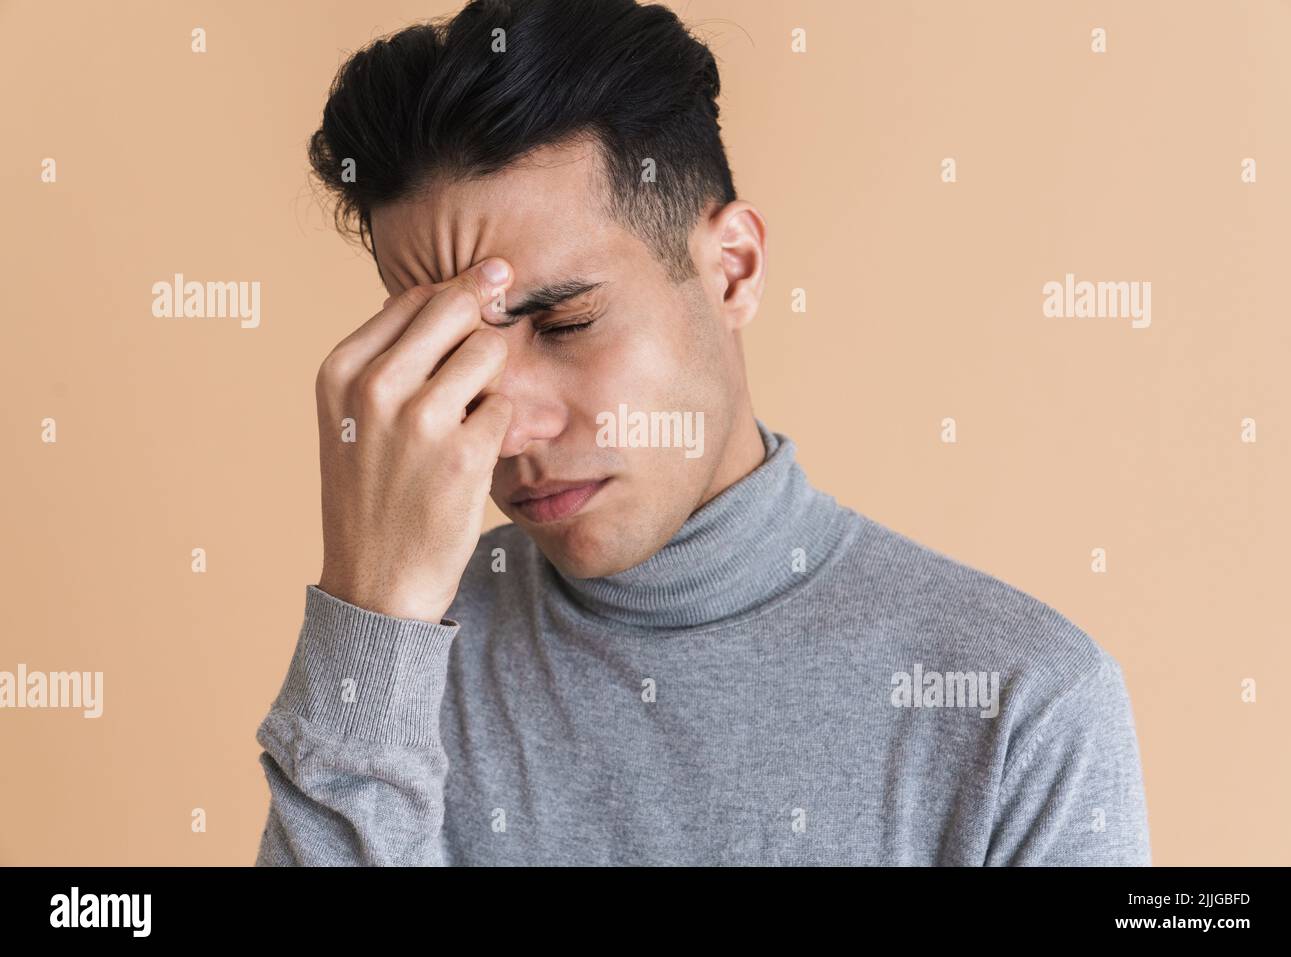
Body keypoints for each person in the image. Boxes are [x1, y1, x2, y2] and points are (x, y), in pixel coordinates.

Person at [255, 0, 1151, 865]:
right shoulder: (394, 673)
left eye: (564, 324)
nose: (508, 428)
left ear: (733, 270)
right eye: (451, 357)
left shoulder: (1022, 708)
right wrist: (367, 627)